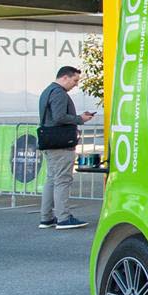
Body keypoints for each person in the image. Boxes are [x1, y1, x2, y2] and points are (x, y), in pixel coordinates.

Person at [37, 66, 95, 230]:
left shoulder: (47, 91)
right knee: (63, 180)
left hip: (49, 141)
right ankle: (63, 218)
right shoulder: (59, 93)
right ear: (65, 78)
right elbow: (59, 117)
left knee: (51, 179)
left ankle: (46, 218)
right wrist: (80, 118)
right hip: (61, 144)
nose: (76, 84)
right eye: (75, 80)